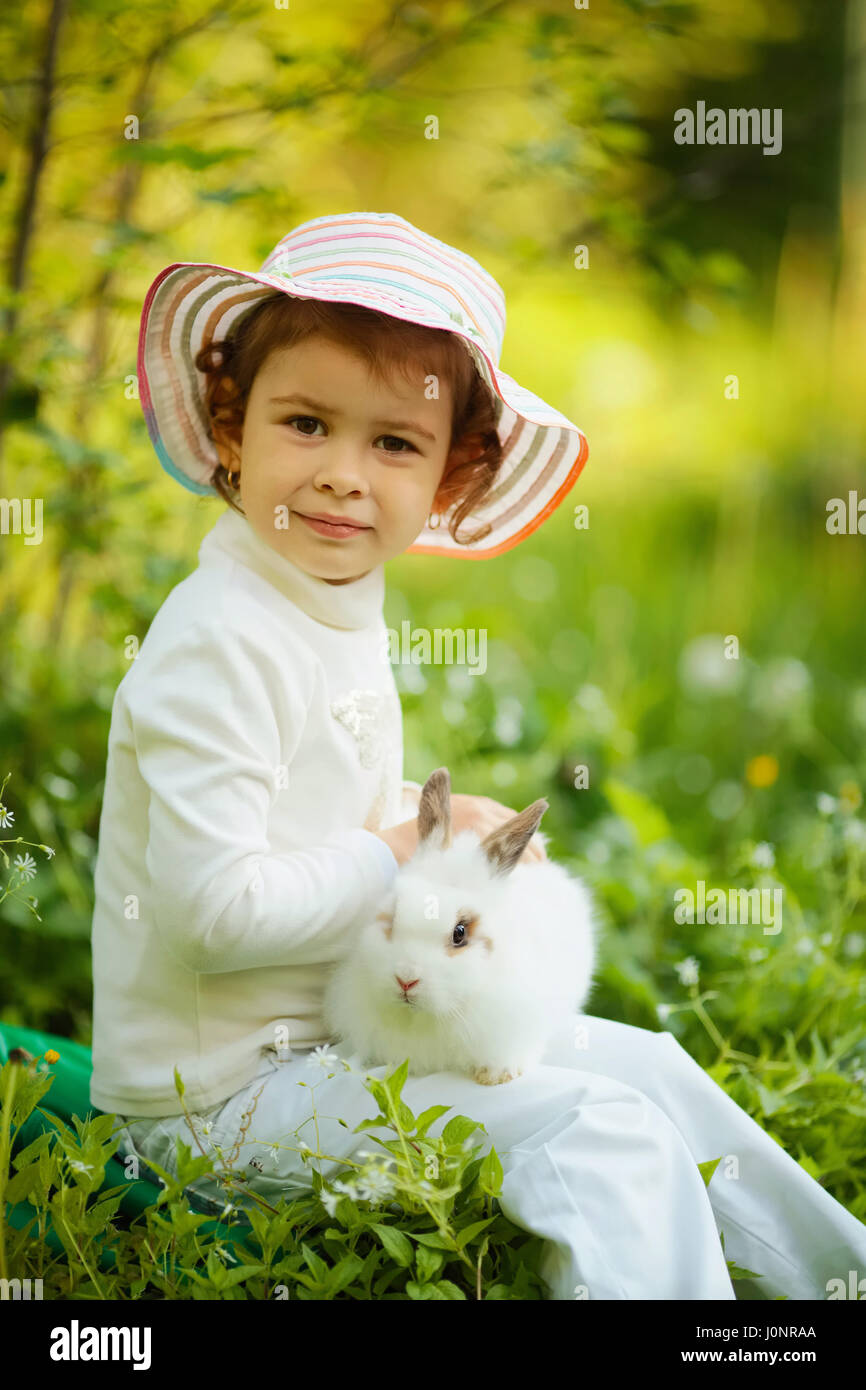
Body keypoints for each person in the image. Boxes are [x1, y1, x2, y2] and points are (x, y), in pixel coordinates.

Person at [92, 211, 866, 1300]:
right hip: (213, 1109)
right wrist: (396, 844)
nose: (341, 476)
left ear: (451, 476)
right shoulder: (217, 642)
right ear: (231, 427)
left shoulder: (319, 596)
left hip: (337, 1038)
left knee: (647, 1067)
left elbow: (320, 806)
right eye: (304, 423)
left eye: (393, 443)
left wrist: (432, 817)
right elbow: (210, 913)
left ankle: (840, 1287)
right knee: (595, 1128)